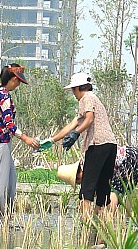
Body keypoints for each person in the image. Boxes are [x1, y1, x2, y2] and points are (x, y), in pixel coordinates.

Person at [48, 72, 119, 216]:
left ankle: (86, 220)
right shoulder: (92, 99)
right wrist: (52, 140)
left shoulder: (87, 97)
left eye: (74, 90)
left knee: (87, 185)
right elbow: (72, 124)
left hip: (97, 144)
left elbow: (89, 119)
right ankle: (101, 220)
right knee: (103, 186)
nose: (74, 94)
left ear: (79, 87)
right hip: (110, 145)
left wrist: (76, 133)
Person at [0, 63, 42, 219]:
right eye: (18, 82)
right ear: (13, 79)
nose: (18, 85)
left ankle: (6, 214)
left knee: (10, 180)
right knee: (0, 184)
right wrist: (26, 138)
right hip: (0, 143)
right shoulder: (5, 96)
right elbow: (9, 124)